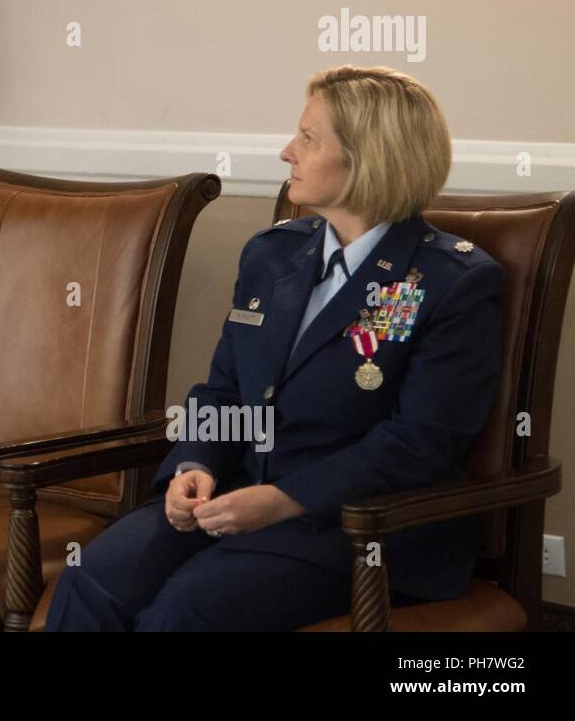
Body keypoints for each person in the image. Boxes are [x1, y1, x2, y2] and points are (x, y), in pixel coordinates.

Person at [47, 65, 505, 631]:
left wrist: (285, 498)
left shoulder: (450, 281)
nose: (287, 151)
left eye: (308, 139)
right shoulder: (271, 255)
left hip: (355, 527)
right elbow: (223, 390)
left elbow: (420, 443)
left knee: (183, 614)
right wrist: (197, 463)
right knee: (92, 579)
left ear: (369, 158)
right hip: (234, 498)